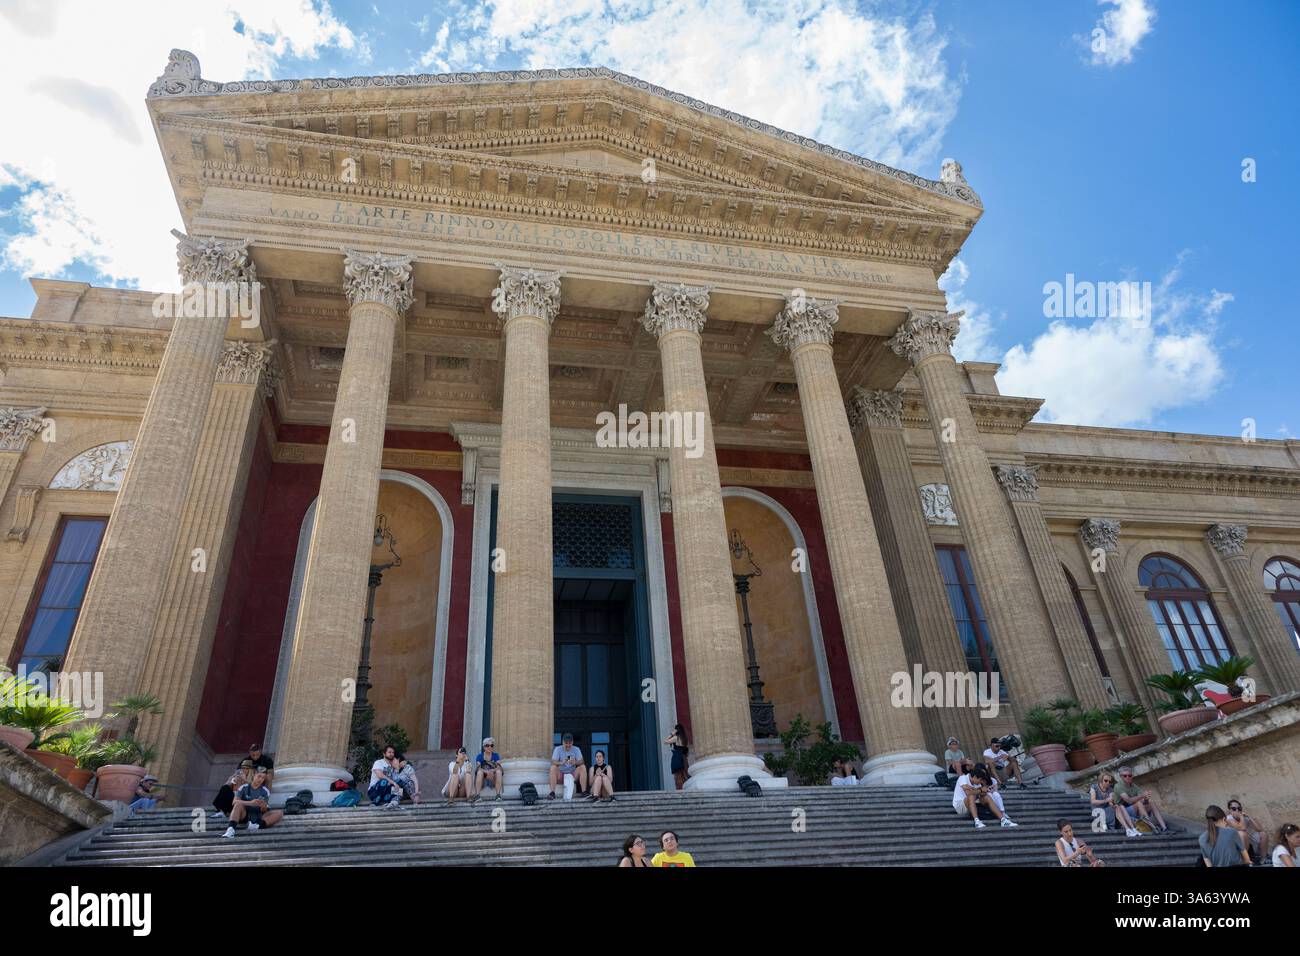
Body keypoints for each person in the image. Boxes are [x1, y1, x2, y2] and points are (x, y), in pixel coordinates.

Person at [223, 768, 283, 838]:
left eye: (263, 778)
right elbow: (234, 802)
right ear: (254, 775)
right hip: (244, 815)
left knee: (279, 813)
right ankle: (231, 830)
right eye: (259, 776)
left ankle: (258, 826)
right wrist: (251, 803)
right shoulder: (243, 787)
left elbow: (264, 810)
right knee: (238, 804)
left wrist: (263, 806)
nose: (260, 779)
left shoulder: (265, 791)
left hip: (258, 816)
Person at [953, 767, 1017, 829]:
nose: (980, 782)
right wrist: (979, 790)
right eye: (980, 780)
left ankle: (1003, 820)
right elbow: (968, 793)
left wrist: (983, 790)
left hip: (972, 804)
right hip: (960, 806)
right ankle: (977, 821)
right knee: (971, 796)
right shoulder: (963, 778)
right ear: (975, 777)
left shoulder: (978, 784)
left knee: (986, 797)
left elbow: (983, 793)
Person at [1114, 767, 1168, 833]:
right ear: (1121, 777)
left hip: (1134, 810)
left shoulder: (1134, 786)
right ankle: (1151, 826)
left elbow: (1143, 800)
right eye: (1125, 776)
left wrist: (1146, 799)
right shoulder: (1118, 786)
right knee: (1139, 803)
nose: (1127, 777)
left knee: (1151, 803)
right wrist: (1142, 796)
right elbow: (1129, 800)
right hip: (1123, 812)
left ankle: (1164, 827)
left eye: (1129, 775)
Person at [1090, 771, 1140, 838]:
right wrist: (1106, 800)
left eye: (1110, 782)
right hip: (1098, 812)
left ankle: (1131, 828)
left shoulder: (1110, 789)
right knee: (1118, 807)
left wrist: (1113, 804)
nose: (1108, 783)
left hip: (1107, 812)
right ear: (1101, 780)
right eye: (1106, 780)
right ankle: (1127, 829)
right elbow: (1093, 801)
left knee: (1120, 806)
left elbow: (1110, 802)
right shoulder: (1094, 787)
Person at [1225, 799, 1265, 863]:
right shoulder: (1228, 818)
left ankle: (1263, 858)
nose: (1237, 810)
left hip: (1246, 842)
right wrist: (1241, 816)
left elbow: (1259, 829)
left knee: (1263, 834)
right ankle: (1244, 859)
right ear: (1230, 810)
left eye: (1239, 808)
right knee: (1242, 833)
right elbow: (1242, 827)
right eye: (1234, 808)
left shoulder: (1244, 817)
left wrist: (1249, 817)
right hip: (1232, 845)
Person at [549, 732, 587, 799]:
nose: (568, 745)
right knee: (553, 767)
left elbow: (582, 761)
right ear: (563, 742)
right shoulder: (558, 749)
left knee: (582, 767)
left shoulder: (576, 749)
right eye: (566, 743)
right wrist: (561, 763)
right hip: (561, 775)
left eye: (570, 743)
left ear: (572, 742)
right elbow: (552, 761)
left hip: (572, 775)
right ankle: (552, 793)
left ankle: (584, 791)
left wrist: (575, 762)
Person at [367, 744, 404, 809]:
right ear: (384, 754)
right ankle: (375, 803)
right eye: (389, 752)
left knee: (400, 781)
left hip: (385, 793)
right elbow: (380, 775)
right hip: (374, 792)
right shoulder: (378, 762)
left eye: (393, 752)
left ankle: (393, 802)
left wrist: (397, 768)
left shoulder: (392, 766)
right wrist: (393, 782)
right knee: (384, 781)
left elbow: (396, 780)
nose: (391, 754)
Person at [474, 737, 504, 802]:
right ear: (484, 747)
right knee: (479, 772)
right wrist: (487, 772)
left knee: (498, 772)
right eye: (487, 745)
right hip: (483, 780)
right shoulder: (480, 756)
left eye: (491, 745)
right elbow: (478, 767)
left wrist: (492, 771)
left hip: (493, 779)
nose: (490, 747)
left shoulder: (496, 756)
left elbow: (499, 767)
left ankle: (498, 795)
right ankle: (477, 795)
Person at [666, 724, 689, 790]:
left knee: (678, 777)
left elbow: (665, 741)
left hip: (677, 758)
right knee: (684, 775)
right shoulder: (684, 738)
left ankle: (679, 791)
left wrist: (671, 734)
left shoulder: (676, 738)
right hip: (684, 758)